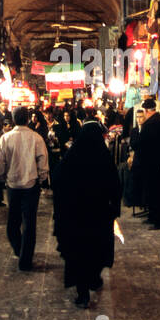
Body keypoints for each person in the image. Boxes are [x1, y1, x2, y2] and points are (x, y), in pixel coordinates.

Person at [52, 121, 122, 307]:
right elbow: (115, 185)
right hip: (98, 216)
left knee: (79, 254)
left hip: (75, 217)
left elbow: (57, 181)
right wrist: (114, 210)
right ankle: (94, 278)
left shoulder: (71, 157)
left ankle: (83, 293)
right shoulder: (103, 157)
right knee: (96, 251)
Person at [0, 107, 48, 269]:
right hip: (31, 186)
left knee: (13, 221)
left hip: (12, 186)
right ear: (27, 119)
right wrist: (41, 178)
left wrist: (3, 177)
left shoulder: (5, 139)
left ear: (14, 119)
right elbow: (43, 163)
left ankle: (19, 249)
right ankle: (25, 259)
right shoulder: (36, 138)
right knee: (29, 223)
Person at [133, 97, 160, 228]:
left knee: (154, 192)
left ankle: (158, 220)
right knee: (154, 191)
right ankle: (153, 216)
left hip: (151, 164)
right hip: (157, 162)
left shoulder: (150, 124)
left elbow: (142, 144)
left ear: (147, 110)